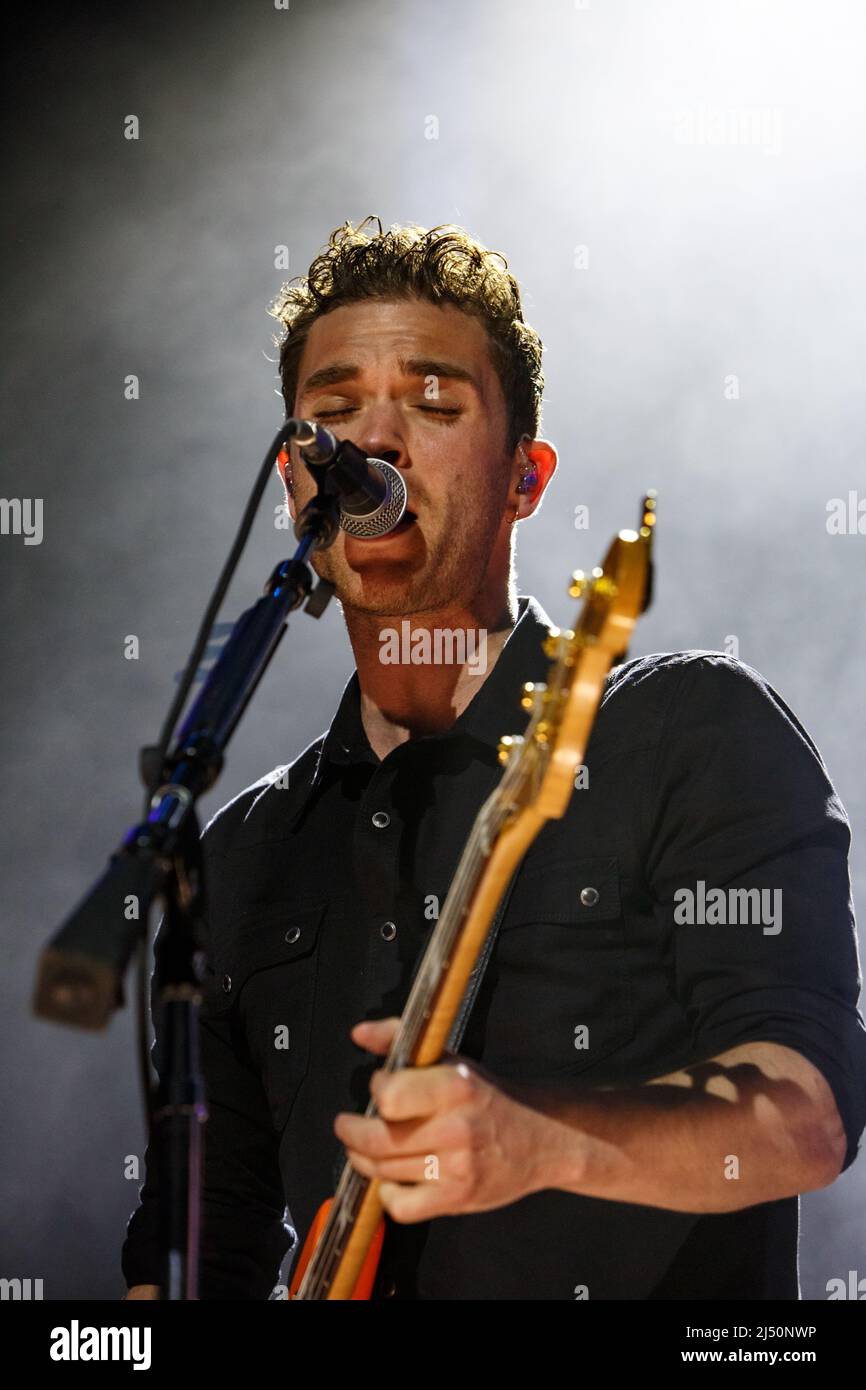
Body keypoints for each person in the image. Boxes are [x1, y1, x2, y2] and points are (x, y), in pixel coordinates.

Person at [123, 217, 866, 1300]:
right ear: (295, 480)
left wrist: (542, 1142)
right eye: (331, 413)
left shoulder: (687, 729)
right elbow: (198, 1236)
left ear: (524, 477)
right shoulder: (242, 850)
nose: (372, 441)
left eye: (432, 404)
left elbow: (808, 1111)